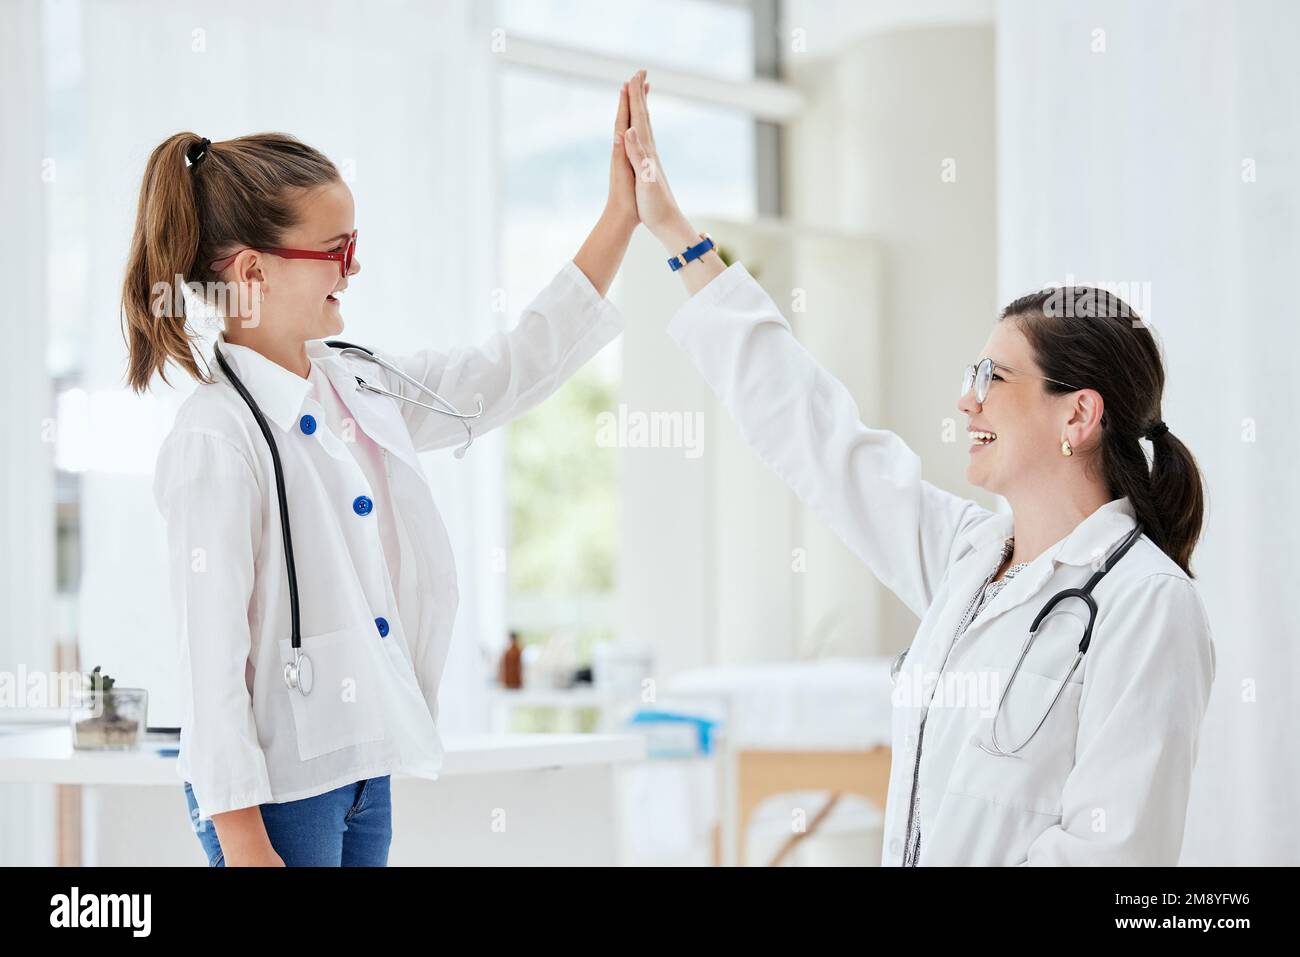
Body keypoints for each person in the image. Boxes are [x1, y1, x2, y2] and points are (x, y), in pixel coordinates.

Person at [618, 68, 1216, 866]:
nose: (966, 403)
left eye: (992, 379)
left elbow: (1115, 855)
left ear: (1079, 413)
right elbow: (813, 432)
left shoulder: (1149, 607)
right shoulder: (968, 557)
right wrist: (674, 233)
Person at [122, 82, 644, 866]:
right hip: (274, 797)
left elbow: (504, 371)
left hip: (364, 772)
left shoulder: (355, 382)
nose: (354, 265)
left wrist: (619, 220)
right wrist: (243, 845)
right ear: (252, 273)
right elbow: (211, 673)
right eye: (335, 249)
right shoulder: (217, 439)